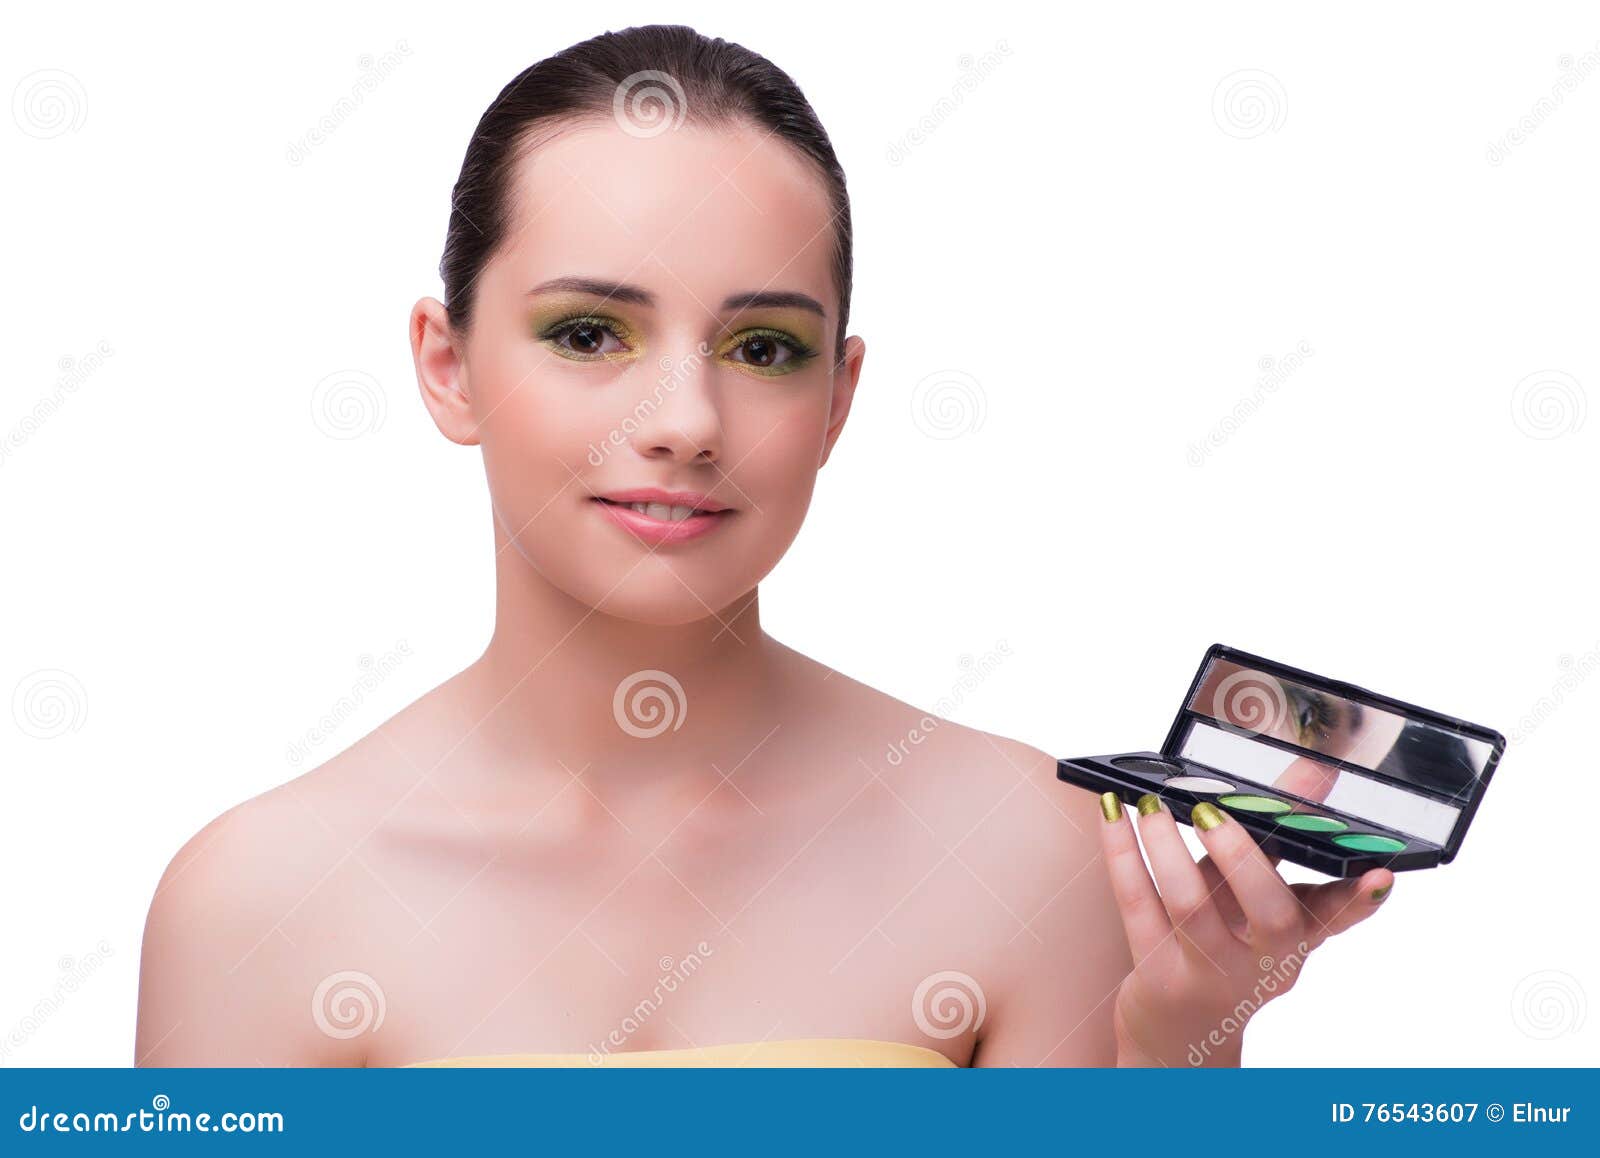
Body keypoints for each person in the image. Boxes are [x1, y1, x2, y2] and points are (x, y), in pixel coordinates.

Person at [134, 23, 1394, 1069]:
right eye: (588, 335)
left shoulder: (1030, 850)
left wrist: (1182, 1042)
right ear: (446, 364)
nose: (682, 422)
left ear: (837, 399)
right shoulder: (255, 906)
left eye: (762, 349)